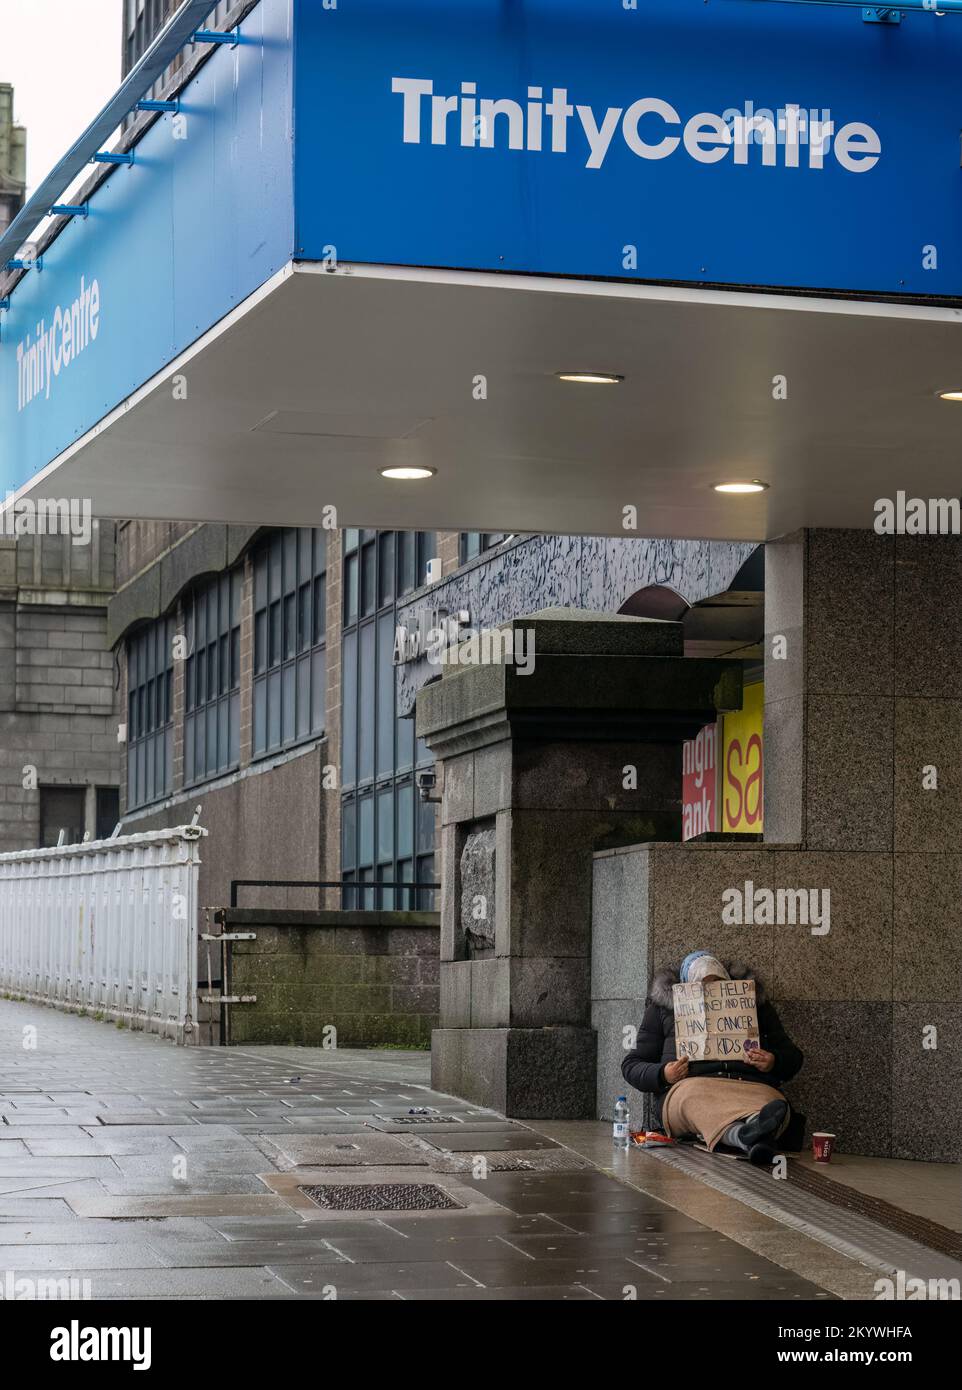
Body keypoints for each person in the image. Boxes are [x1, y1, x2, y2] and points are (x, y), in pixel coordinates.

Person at [622, 950, 803, 1166]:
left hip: (750, 1085)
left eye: (718, 984)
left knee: (774, 1103)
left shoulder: (755, 1005)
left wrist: (773, 1061)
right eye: (702, 985)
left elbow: (794, 1057)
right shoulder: (662, 1010)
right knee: (696, 1103)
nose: (711, 991)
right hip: (691, 1087)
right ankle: (748, 1134)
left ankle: (751, 1134)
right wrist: (664, 1074)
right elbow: (631, 1065)